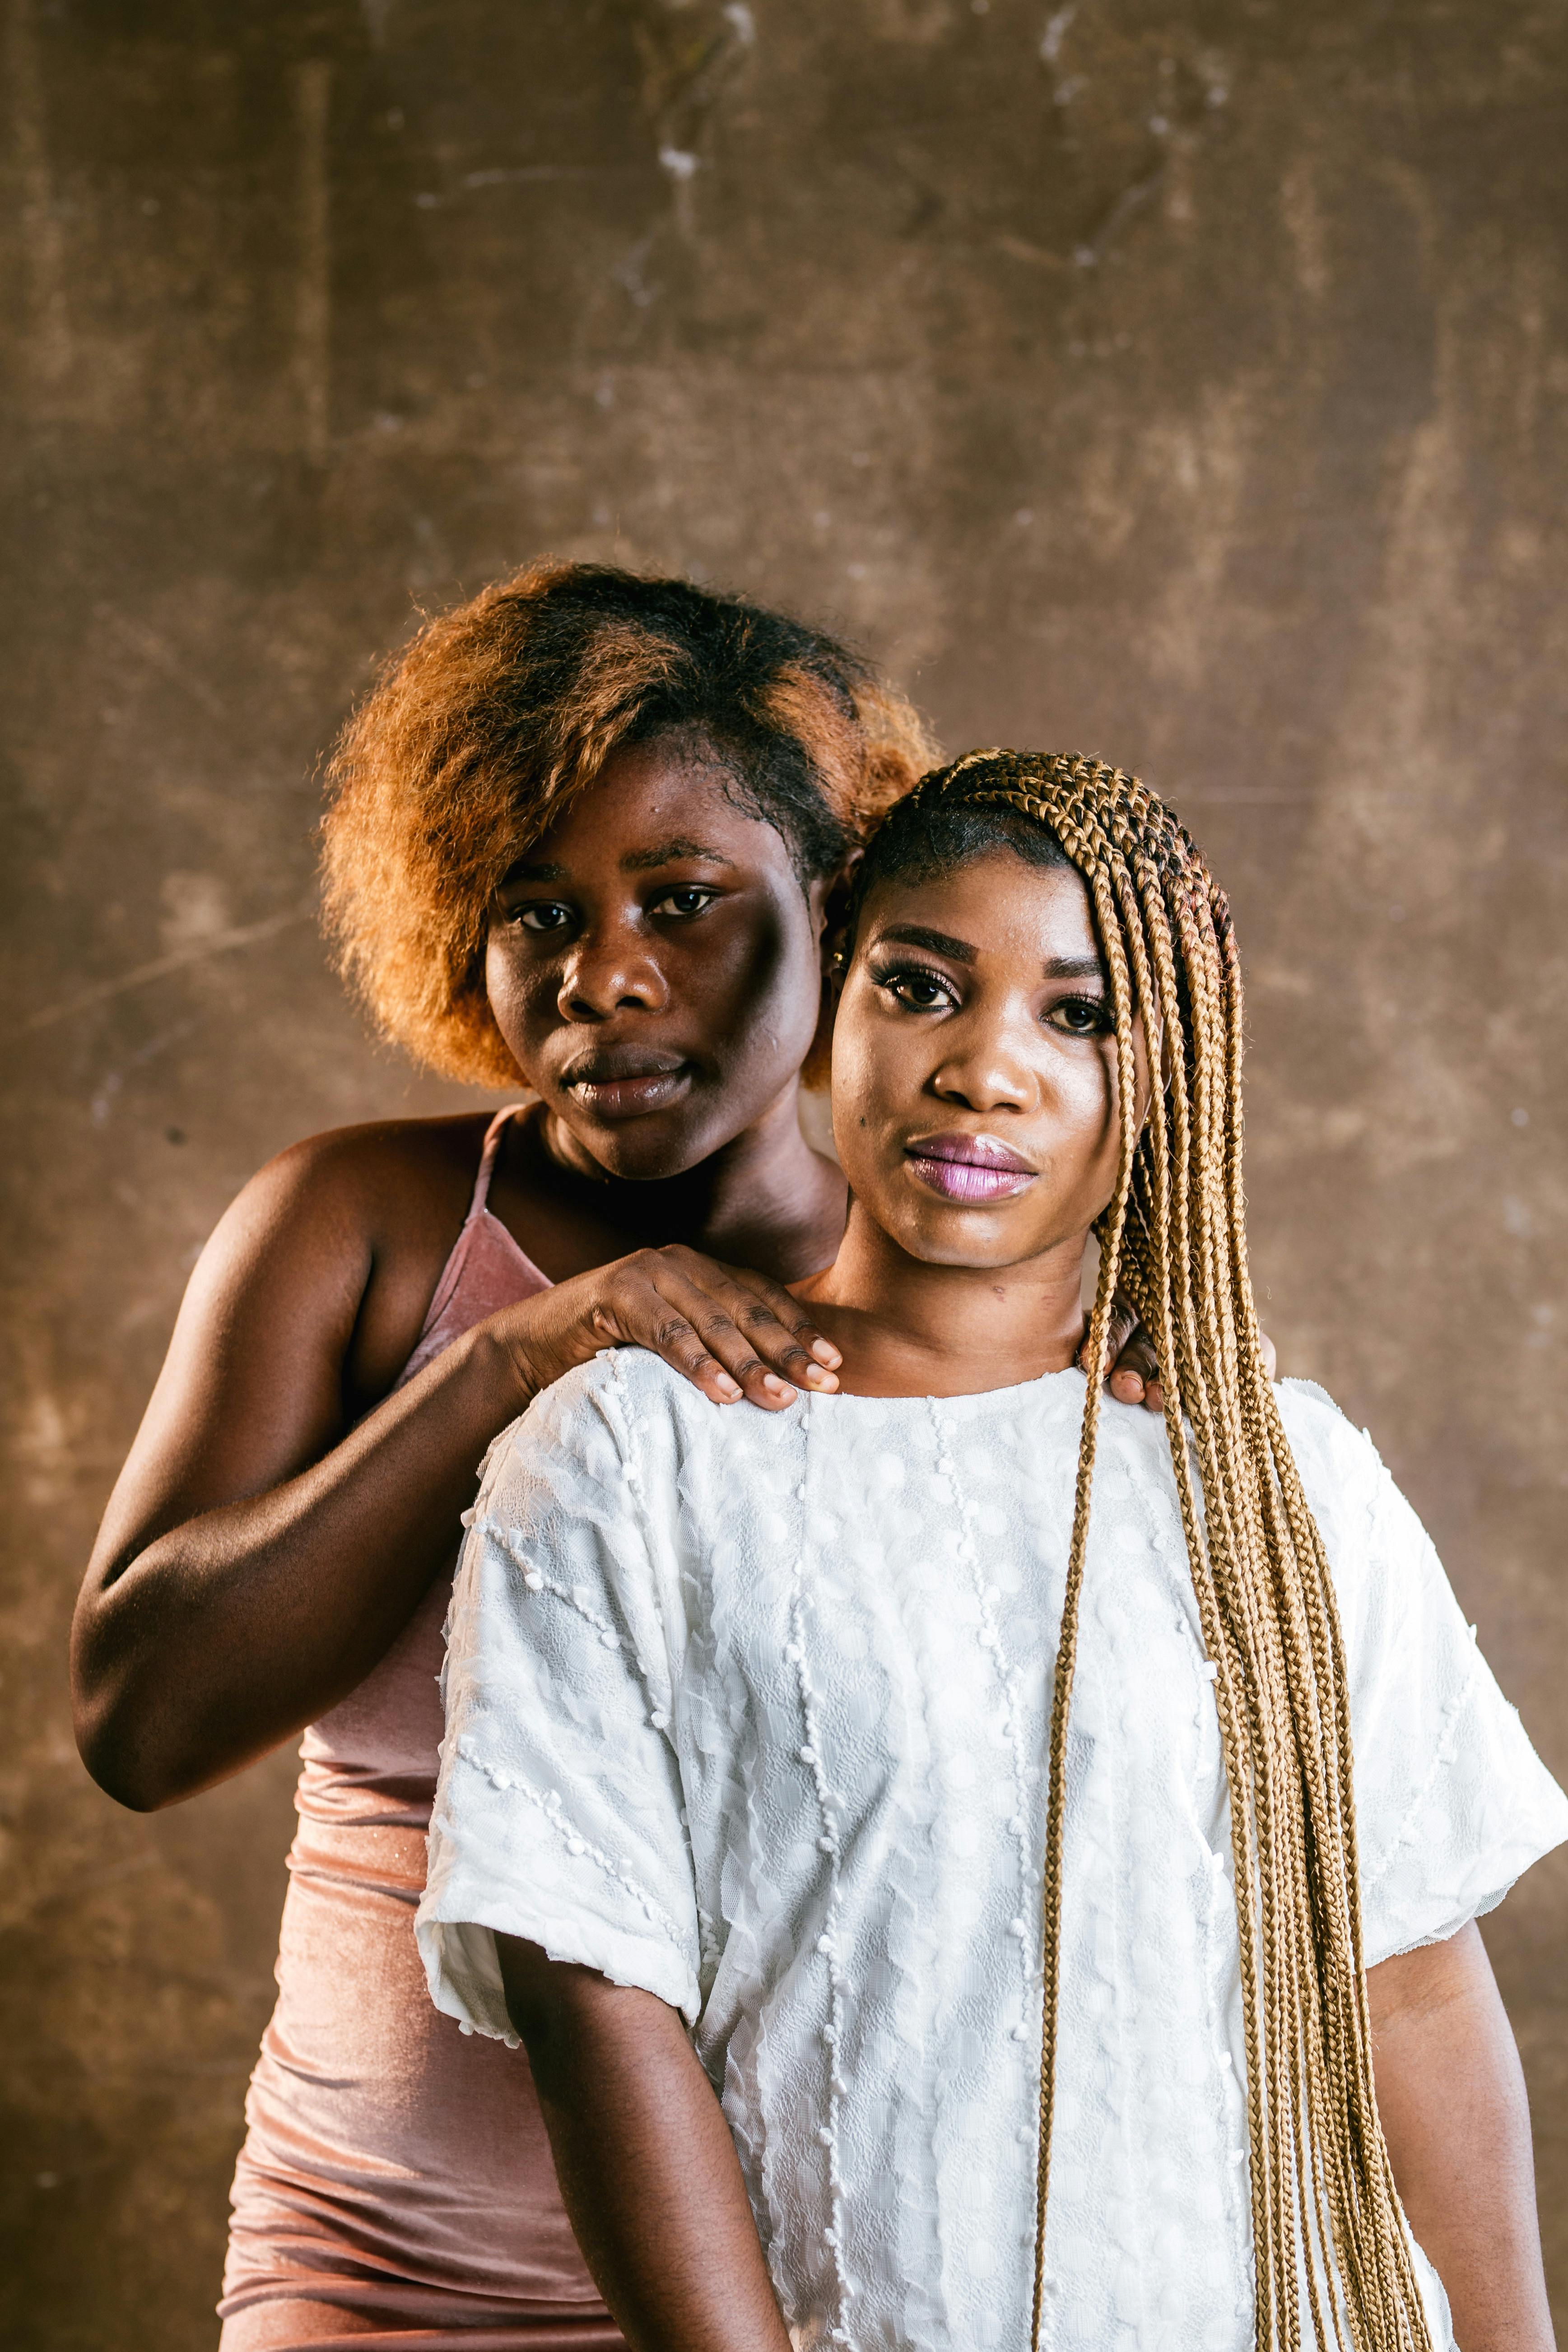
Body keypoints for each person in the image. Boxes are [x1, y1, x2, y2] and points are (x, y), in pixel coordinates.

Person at [70, 567, 1163, 2348]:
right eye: (533, 910)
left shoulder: (988, 1301)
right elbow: (137, 1720)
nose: (606, 973)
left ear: (839, 912)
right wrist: (516, 1355)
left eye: (685, 898)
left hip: (836, 2288)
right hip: (381, 2277)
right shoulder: (367, 1226)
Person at [418, 750, 1567, 2352]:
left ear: (1166, 1075)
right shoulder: (629, 1461)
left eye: (1076, 1016)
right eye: (921, 986)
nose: (984, 1070)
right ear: (830, 999)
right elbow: (593, 1994)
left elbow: (1413, 1980)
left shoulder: (1272, 1469)